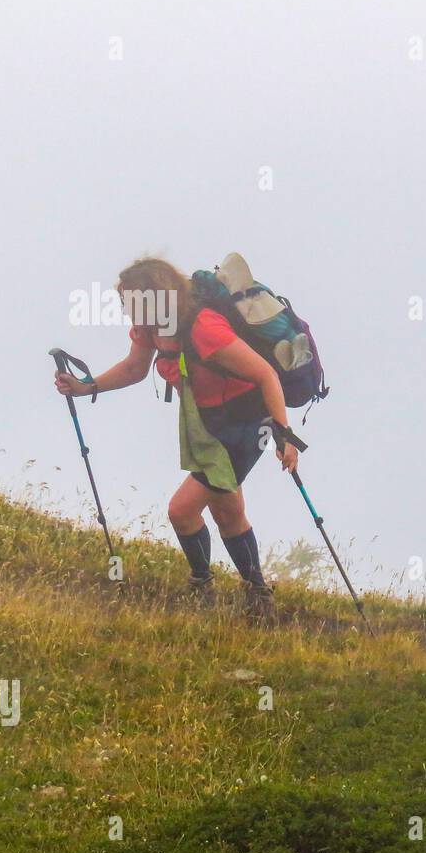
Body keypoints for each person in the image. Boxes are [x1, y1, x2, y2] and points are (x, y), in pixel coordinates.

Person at [53, 258, 297, 618]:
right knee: (228, 513)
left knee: (182, 511)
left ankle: (202, 587)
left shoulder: (203, 328)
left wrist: (284, 436)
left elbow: (265, 375)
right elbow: (135, 369)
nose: (125, 310)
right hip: (206, 422)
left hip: (244, 423)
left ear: (154, 298)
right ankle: (258, 596)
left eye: (130, 302)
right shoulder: (152, 326)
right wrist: (86, 388)